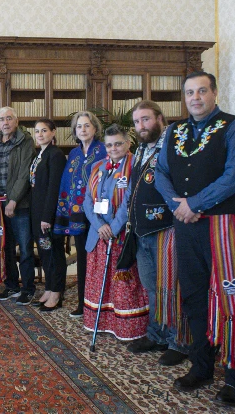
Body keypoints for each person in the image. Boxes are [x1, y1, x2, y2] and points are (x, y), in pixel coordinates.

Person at [154, 71, 235, 404]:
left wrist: (194, 204)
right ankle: (201, 366)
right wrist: (179, 207)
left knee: (230, 298)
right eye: (189, 93)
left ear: (214, 92)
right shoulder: (173, 131)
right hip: (186, 226)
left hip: (222, 225)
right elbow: (161, 174)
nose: (195, 98)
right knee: (193, 295)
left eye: (201, 91)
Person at [119, 101, 189, 366]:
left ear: (160, 118)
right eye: (137, 122)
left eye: (146, 120)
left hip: (166, 228)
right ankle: (157, 334)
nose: (141, 126)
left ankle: (178, 341)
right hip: (141, 231)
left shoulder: (172, 148)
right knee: (152, 288)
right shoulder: (140, 150)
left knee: (171, 288)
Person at [81, 126, 148, 339]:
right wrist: (99, 225)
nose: (113, 148)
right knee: (99, 280)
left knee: (123, 284)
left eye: (118, 143)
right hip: (98, 233)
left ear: (128, 143)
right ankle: (101, 324)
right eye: (109, 145)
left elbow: (130, 201)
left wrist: (114, 228)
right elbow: (87, 201)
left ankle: (125, 328)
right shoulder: (98, 166)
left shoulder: (135, 165)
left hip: (121, 236)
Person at [54, 111, 107, 318]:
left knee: (98, 259)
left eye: (86, 126)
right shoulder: (75, 153)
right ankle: (83, 303)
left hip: (98, 214)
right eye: (79, 127)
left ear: (95, 128)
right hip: (77, 213)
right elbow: (67, 182)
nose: (83, 130)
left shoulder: (103, 150)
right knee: (83, 259)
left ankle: (99, 304)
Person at [0, 107, 36, 305]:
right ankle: (11, 285)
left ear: (16, 121)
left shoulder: (25, 142)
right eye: (1, 119)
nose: (5, 122)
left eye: (9, 118)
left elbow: (25, 173)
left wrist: (13, 200)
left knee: (24, 248)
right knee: (5, 247)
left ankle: (28, 288)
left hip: (19, 204)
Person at [28, 119, 67, 311]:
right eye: (37, 131)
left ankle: (57, 293)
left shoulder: (56, 155)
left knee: (53, 253)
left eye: (44, 130)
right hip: (37, 212)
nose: (40, 134)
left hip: (48, 215)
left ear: (53, 132)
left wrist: (46, 217)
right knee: (44, 252)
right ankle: (49, 288)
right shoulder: (39, 155)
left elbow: (54, 188)